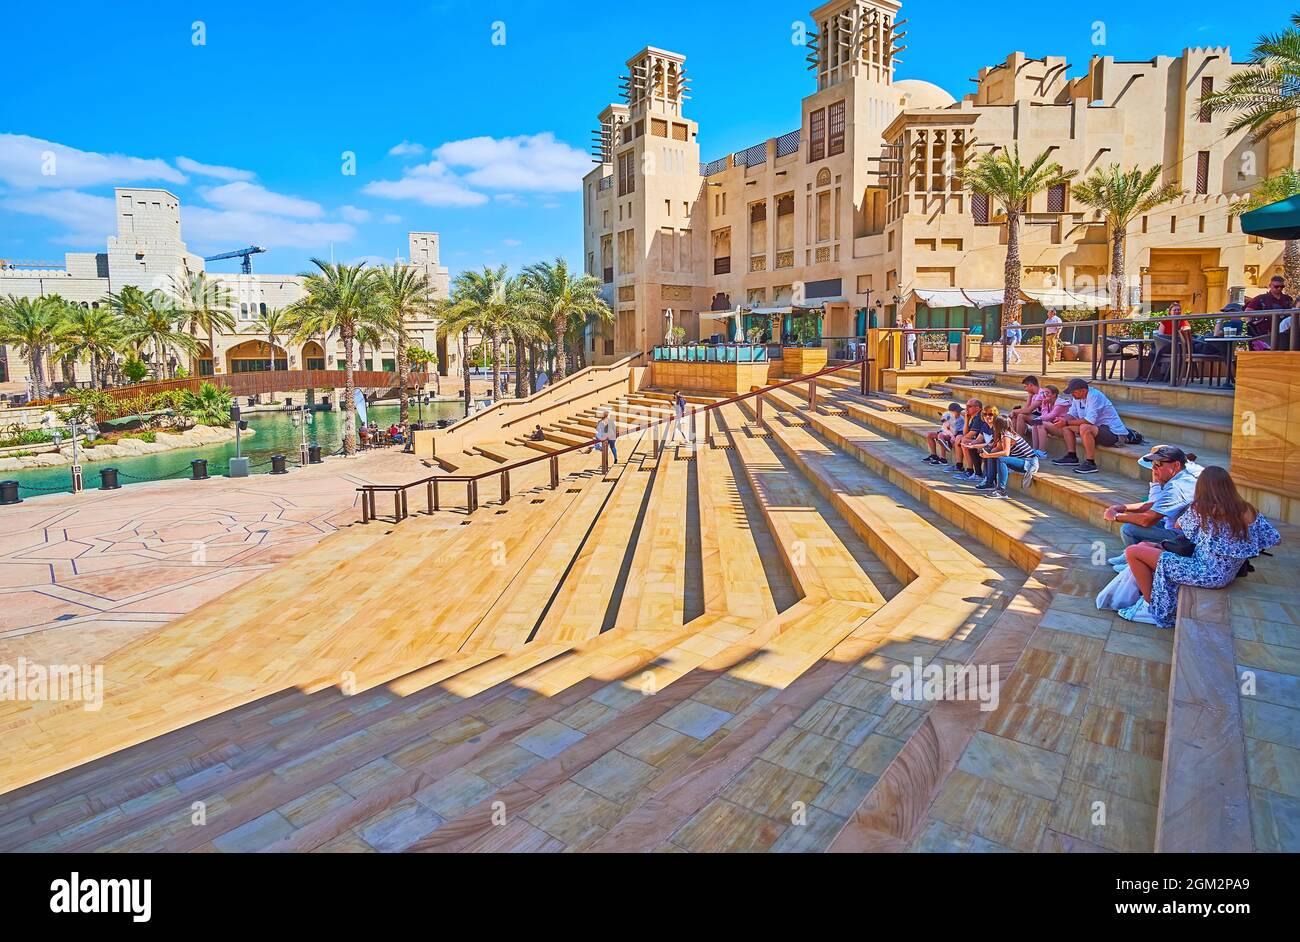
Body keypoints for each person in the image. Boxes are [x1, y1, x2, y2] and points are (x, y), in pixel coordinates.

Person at [1120, 466, 1280, 627]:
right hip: (1228, 573)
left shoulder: (1202, 508)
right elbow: (1273, 538)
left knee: (1133, 552)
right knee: (1147, 548)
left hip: (1203, 572)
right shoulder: (1247, 509)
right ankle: (1153, 599)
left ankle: (1151, 607)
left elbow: (1178, 526)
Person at [1102, 446, 1199, 569]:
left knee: (1129, 529)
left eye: (1158, 464)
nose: (1153, 468)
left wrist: (1116, 516)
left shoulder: (1177, 487)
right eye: (1153, 464)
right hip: (1179, 531)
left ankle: (1136, 564)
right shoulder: (1182, 478)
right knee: (1135, 526)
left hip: (1184, 540)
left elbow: (1147, 520)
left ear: (1176, 465)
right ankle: (1131, 557)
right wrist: (1123, 508)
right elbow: (1155, 504)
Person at [1049, 378, 1129, 474]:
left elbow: (1089, 421)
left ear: (1083, 391)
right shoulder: (1077, 398)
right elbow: (1071, 414)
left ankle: (1090, 463)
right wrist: (1063, 420)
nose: (1072, 395)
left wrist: (1066, 422)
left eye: (1074, 392)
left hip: (1115, 434)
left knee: (1084, 427)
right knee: (1066, 425)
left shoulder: (1094, 396)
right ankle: (1072, 456)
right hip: (1097, 430)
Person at [976, 415, 1039, 498]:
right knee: (994, 454)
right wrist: (988, 452)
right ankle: (989, 482)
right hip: (1020, 459)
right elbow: (997, 448)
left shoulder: (1007, 435)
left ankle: (1001, 491)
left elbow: (1006, 453)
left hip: (1029, 462)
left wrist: (988, 455)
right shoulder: (1003, 434)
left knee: (1002, 459)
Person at [950, 403, 997, 482]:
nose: (987, 416)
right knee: (971, 445)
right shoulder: (985, 425)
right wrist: (972, 444)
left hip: (997, 448)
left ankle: (991, 481)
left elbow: (994, 444)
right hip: (988, 446)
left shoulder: (996, 426)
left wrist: (976, 445)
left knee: (986, 450)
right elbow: (978, 439)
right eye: (985, 414)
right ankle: (978, 474)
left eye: (990, 414)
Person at [1026, 384, 1067, 457]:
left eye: (1047, 393)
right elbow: (1044, 415)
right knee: (1035, 423)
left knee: (1041, 423)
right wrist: (1044, 405)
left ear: (1054, 394)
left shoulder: (1060, 404)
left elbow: (1051, 416)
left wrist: (1043, 406)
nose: (1045, 395)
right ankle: (1035, 449)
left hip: (1064, 428)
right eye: (1044, 393)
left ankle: (1042, 452)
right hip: (1054, 425)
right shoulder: (1048, 402)